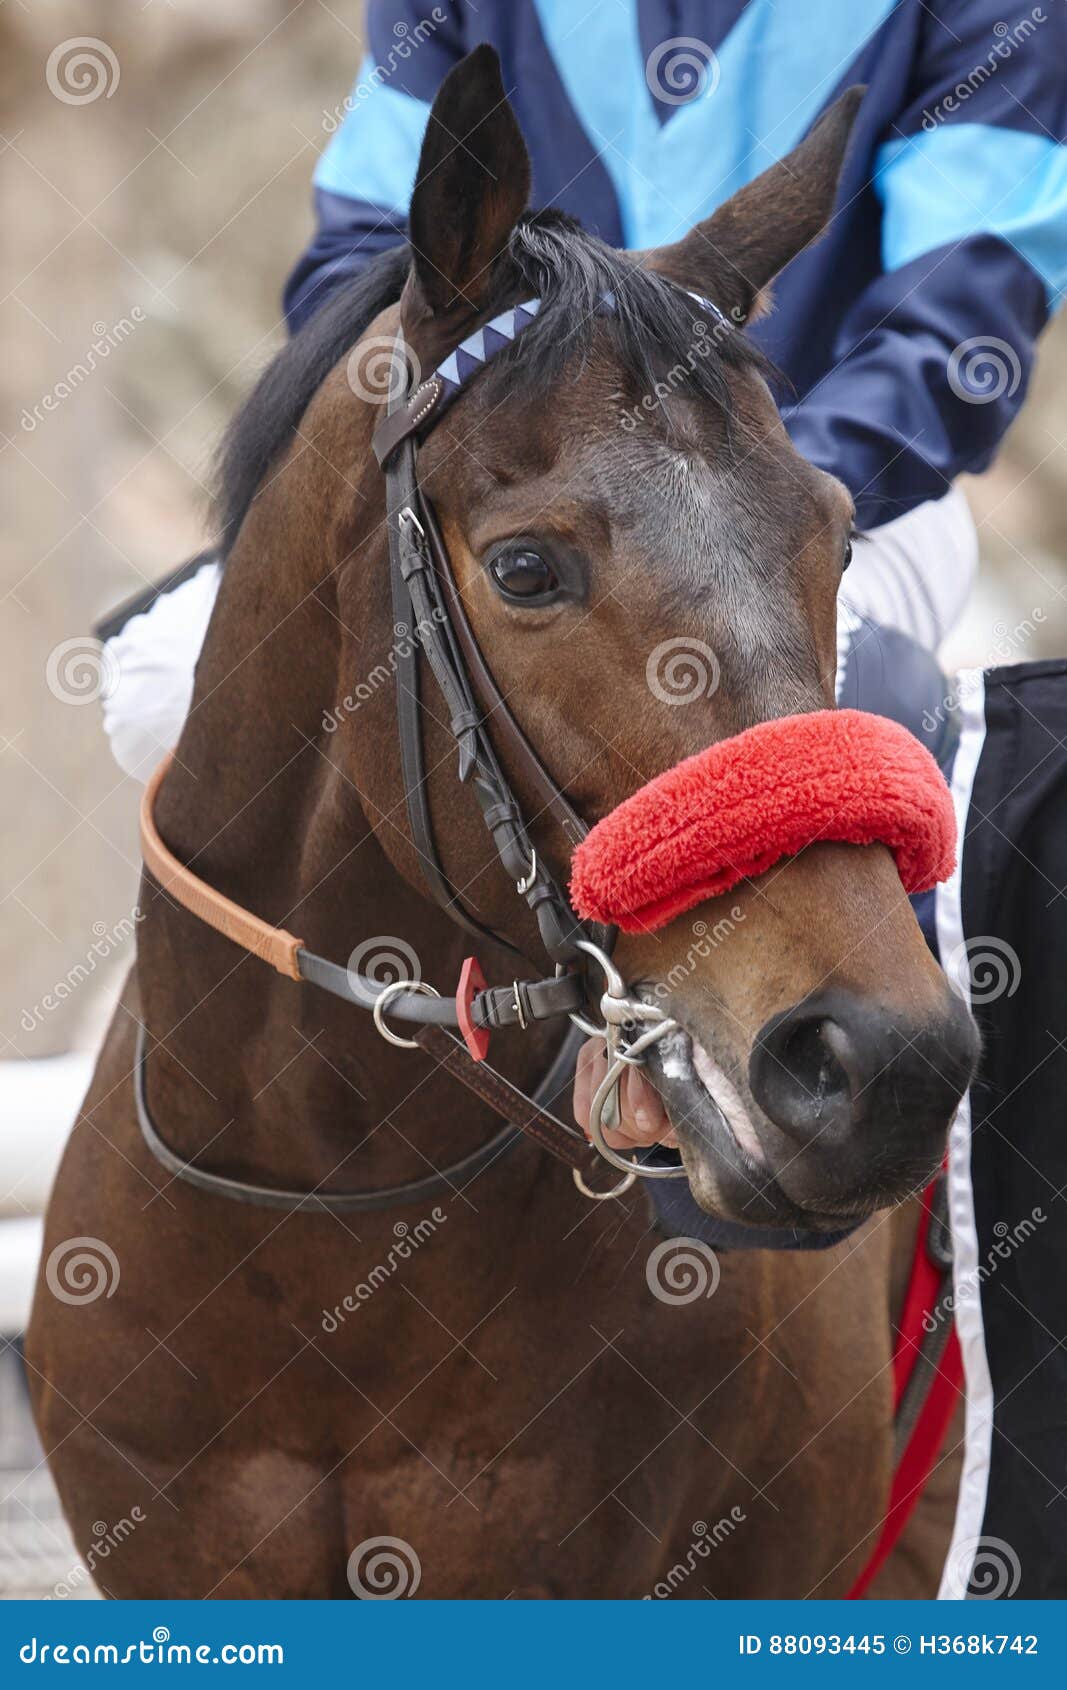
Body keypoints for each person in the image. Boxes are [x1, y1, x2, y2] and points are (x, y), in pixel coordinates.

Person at [102, 0, 1067, 1153]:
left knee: (876, 710)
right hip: (500, 478)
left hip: (820, 487)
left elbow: (961, 311)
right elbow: (361, 264)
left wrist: (718, 498)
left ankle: (828, 1162)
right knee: (158, 678)